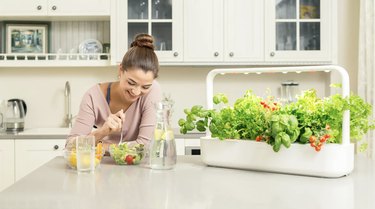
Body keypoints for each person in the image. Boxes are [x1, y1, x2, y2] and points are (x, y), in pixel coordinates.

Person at [66, 34, 162, 151]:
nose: (136, 92)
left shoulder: (153, 91)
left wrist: (100, 146)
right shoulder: (93, 96)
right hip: (100, 165)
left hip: (139, 166)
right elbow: (70, 147)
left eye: (145, 87)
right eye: (131, 83)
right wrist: (102, 132)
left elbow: (144, 146)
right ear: (120, 70)